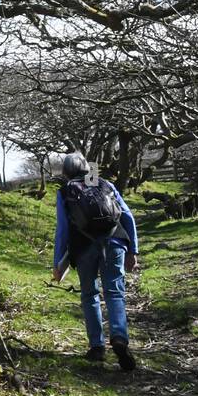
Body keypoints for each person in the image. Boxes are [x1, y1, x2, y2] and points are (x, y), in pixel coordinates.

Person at [52, 152, 139, 371]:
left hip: (83, 247)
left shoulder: (65, 192)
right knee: (115, 292)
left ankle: (97, 347)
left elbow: (62, 231)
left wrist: (57, 263)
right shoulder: (105, 184)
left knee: (90, 294)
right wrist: (133, 249)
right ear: (86, 168)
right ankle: (119, 337)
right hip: (115, 242)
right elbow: (127, 216)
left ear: (66, 172)